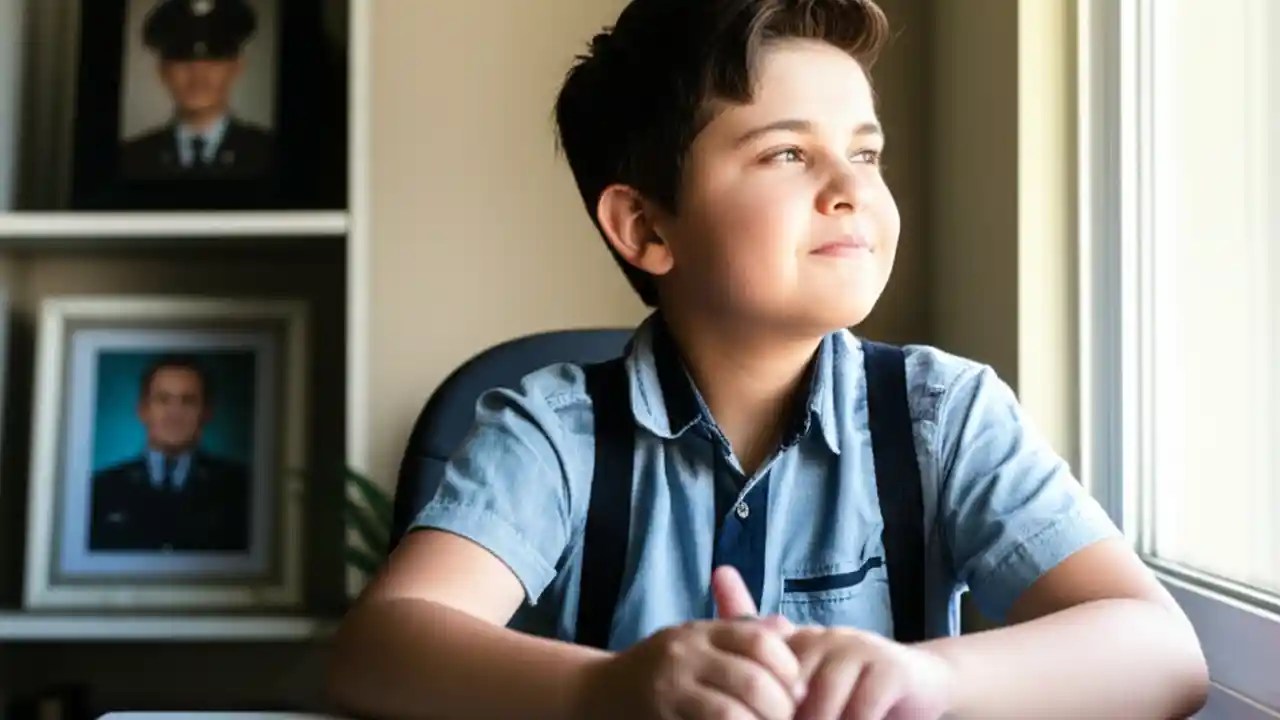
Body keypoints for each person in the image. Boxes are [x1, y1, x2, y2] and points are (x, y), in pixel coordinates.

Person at [327, 1, 1210, 718]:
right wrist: (606, 689)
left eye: (866, 153)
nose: (852, 188)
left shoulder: (946, 415)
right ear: (647, 227)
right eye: (789, 153)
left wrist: (936, 680)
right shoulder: (553, 435)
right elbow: (378, 650)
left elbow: (1163, 654)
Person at [89, 355, 250, 552]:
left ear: (207, 413)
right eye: (163, 400)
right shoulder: (101, 489)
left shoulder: (240, 488)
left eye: (188, 401)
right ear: (143, 410)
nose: (175, 413)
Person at [119, 0, 274, 181]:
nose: (198, 77)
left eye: (213, 62)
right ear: (162, 71)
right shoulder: (131, 159)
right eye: (183, 62)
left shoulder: (271, 154)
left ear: (236, 68)